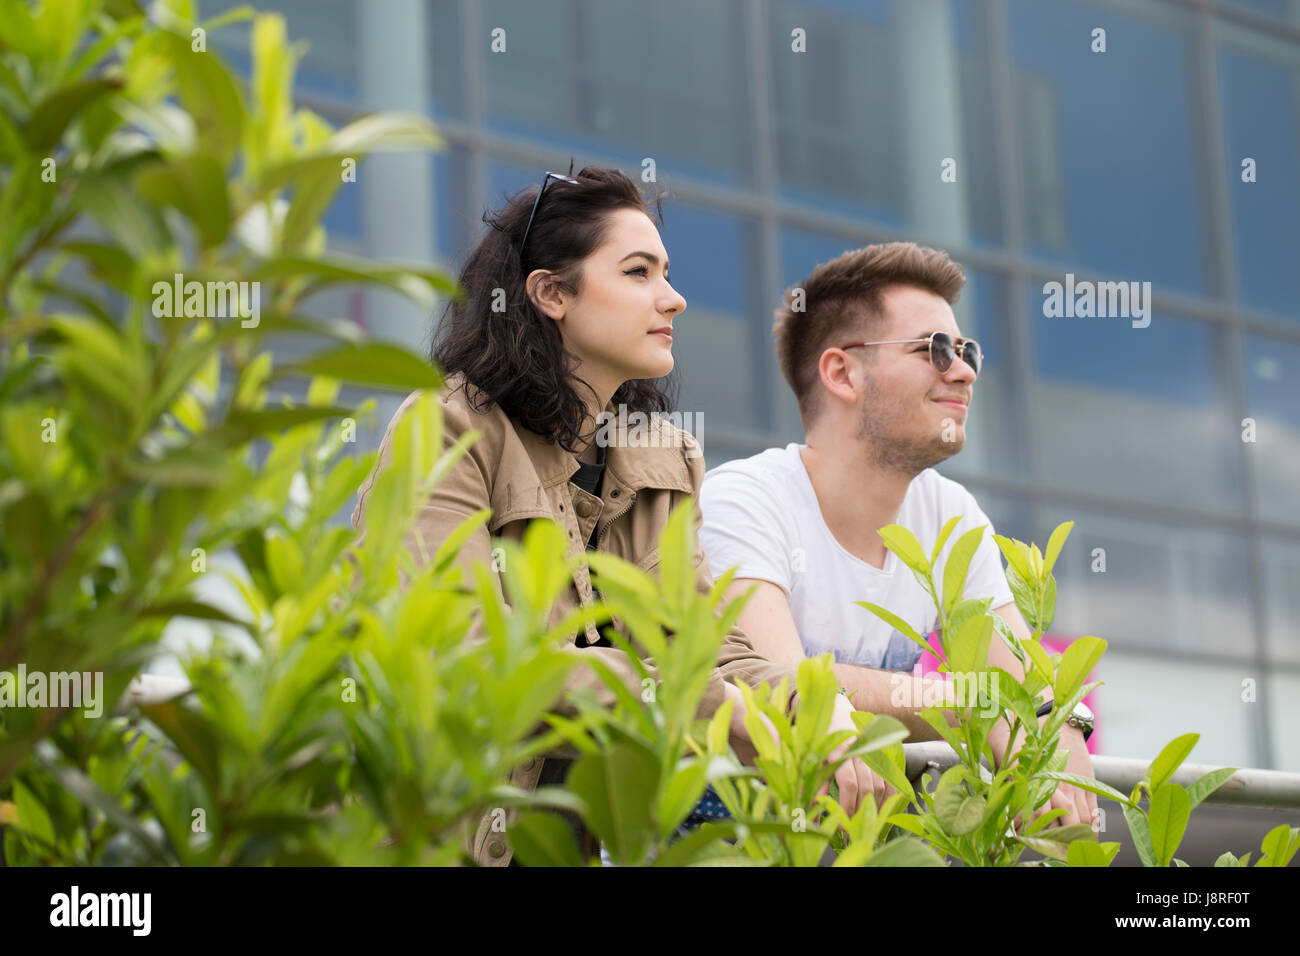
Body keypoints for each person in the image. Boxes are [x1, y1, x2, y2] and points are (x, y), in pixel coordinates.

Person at [350, 166, 875, 866]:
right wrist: (696, 699)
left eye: (667, 273)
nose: (675, 299)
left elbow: (711, 650)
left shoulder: (665, 457)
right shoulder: (447, 430)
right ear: (551, 293)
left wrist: (812, 705)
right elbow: (468, 664)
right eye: (639, 272)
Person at [698, 241, 1101, 832]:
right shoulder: (742, 499)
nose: (962, 370)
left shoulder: (949, 512)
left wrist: (1060, 726)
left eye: (966, 350)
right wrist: (973, 705)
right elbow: (787, 692)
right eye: (933, 349)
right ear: (841, 372)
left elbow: (1025, 688)